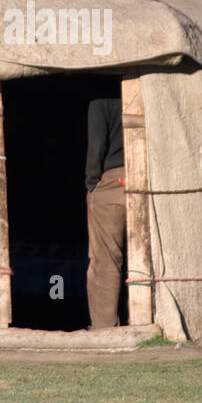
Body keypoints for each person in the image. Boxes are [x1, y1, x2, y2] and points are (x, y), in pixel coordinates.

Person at [85, 96, 126, 329]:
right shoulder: (145, 95)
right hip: (146, 179)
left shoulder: (100, 103)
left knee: (105, 259)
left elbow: (97, 145)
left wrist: (92, 184)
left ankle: (104, 327)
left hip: (112, 183)